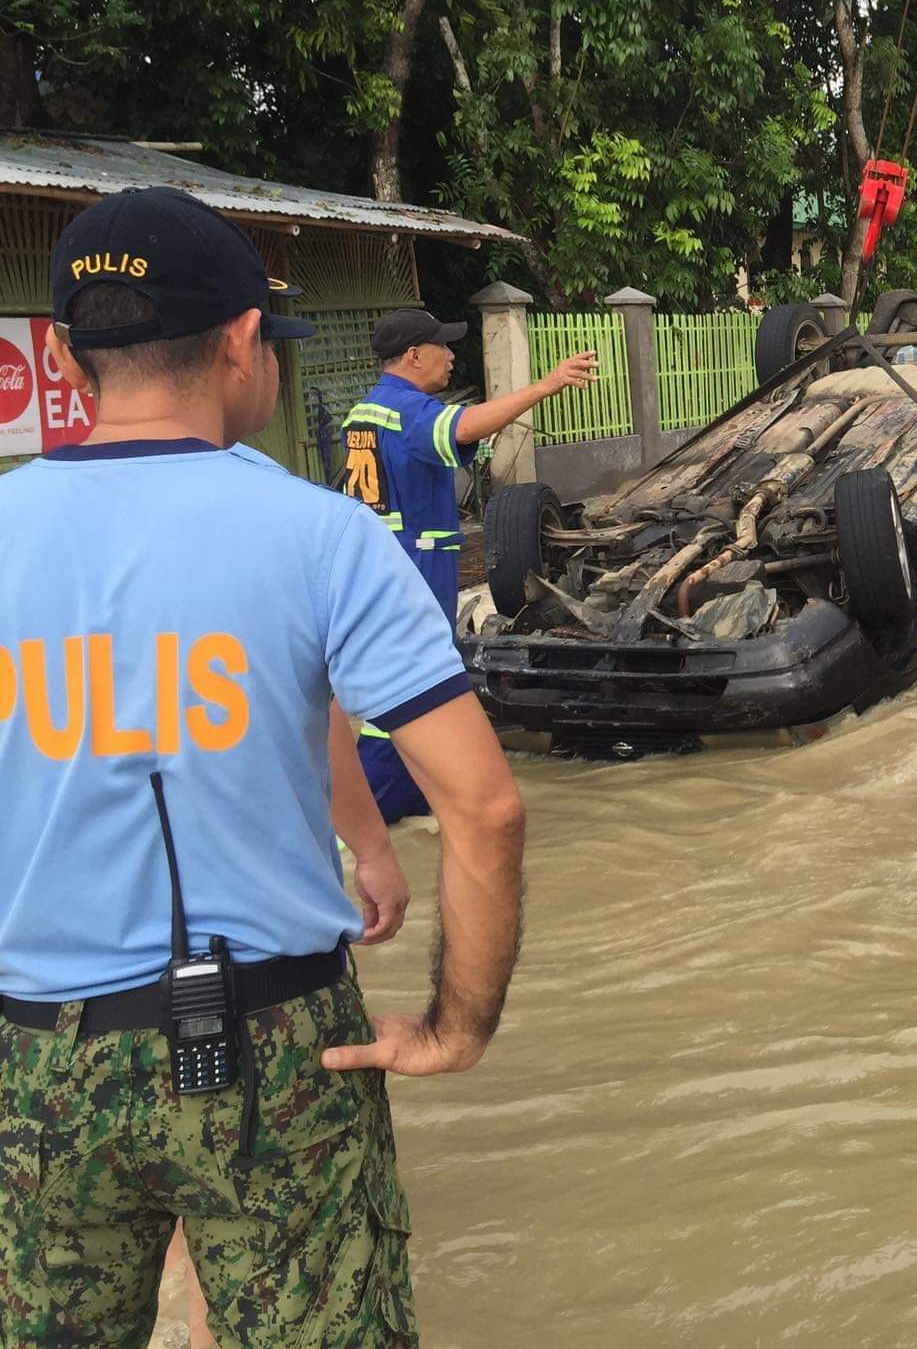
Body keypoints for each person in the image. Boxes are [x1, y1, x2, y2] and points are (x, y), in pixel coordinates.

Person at [0, 188, 527, 1346]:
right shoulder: (323, 536)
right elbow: (485, 807)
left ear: (73, 358)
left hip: (35, 1049)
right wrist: (457, 1024)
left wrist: (367, 840)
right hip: (279, 1041)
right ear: (243, 342)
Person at [343, 308, 597, 821]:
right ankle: (367, 816)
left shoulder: (364, 412)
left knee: (408, 680)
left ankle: (414, 802)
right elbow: (463, 425)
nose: (451, 355)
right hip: (414, 570)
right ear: (414, 356)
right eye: (442, 346)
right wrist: (546, 386)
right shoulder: (408, 410)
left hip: (383, 567)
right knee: (408, 687)